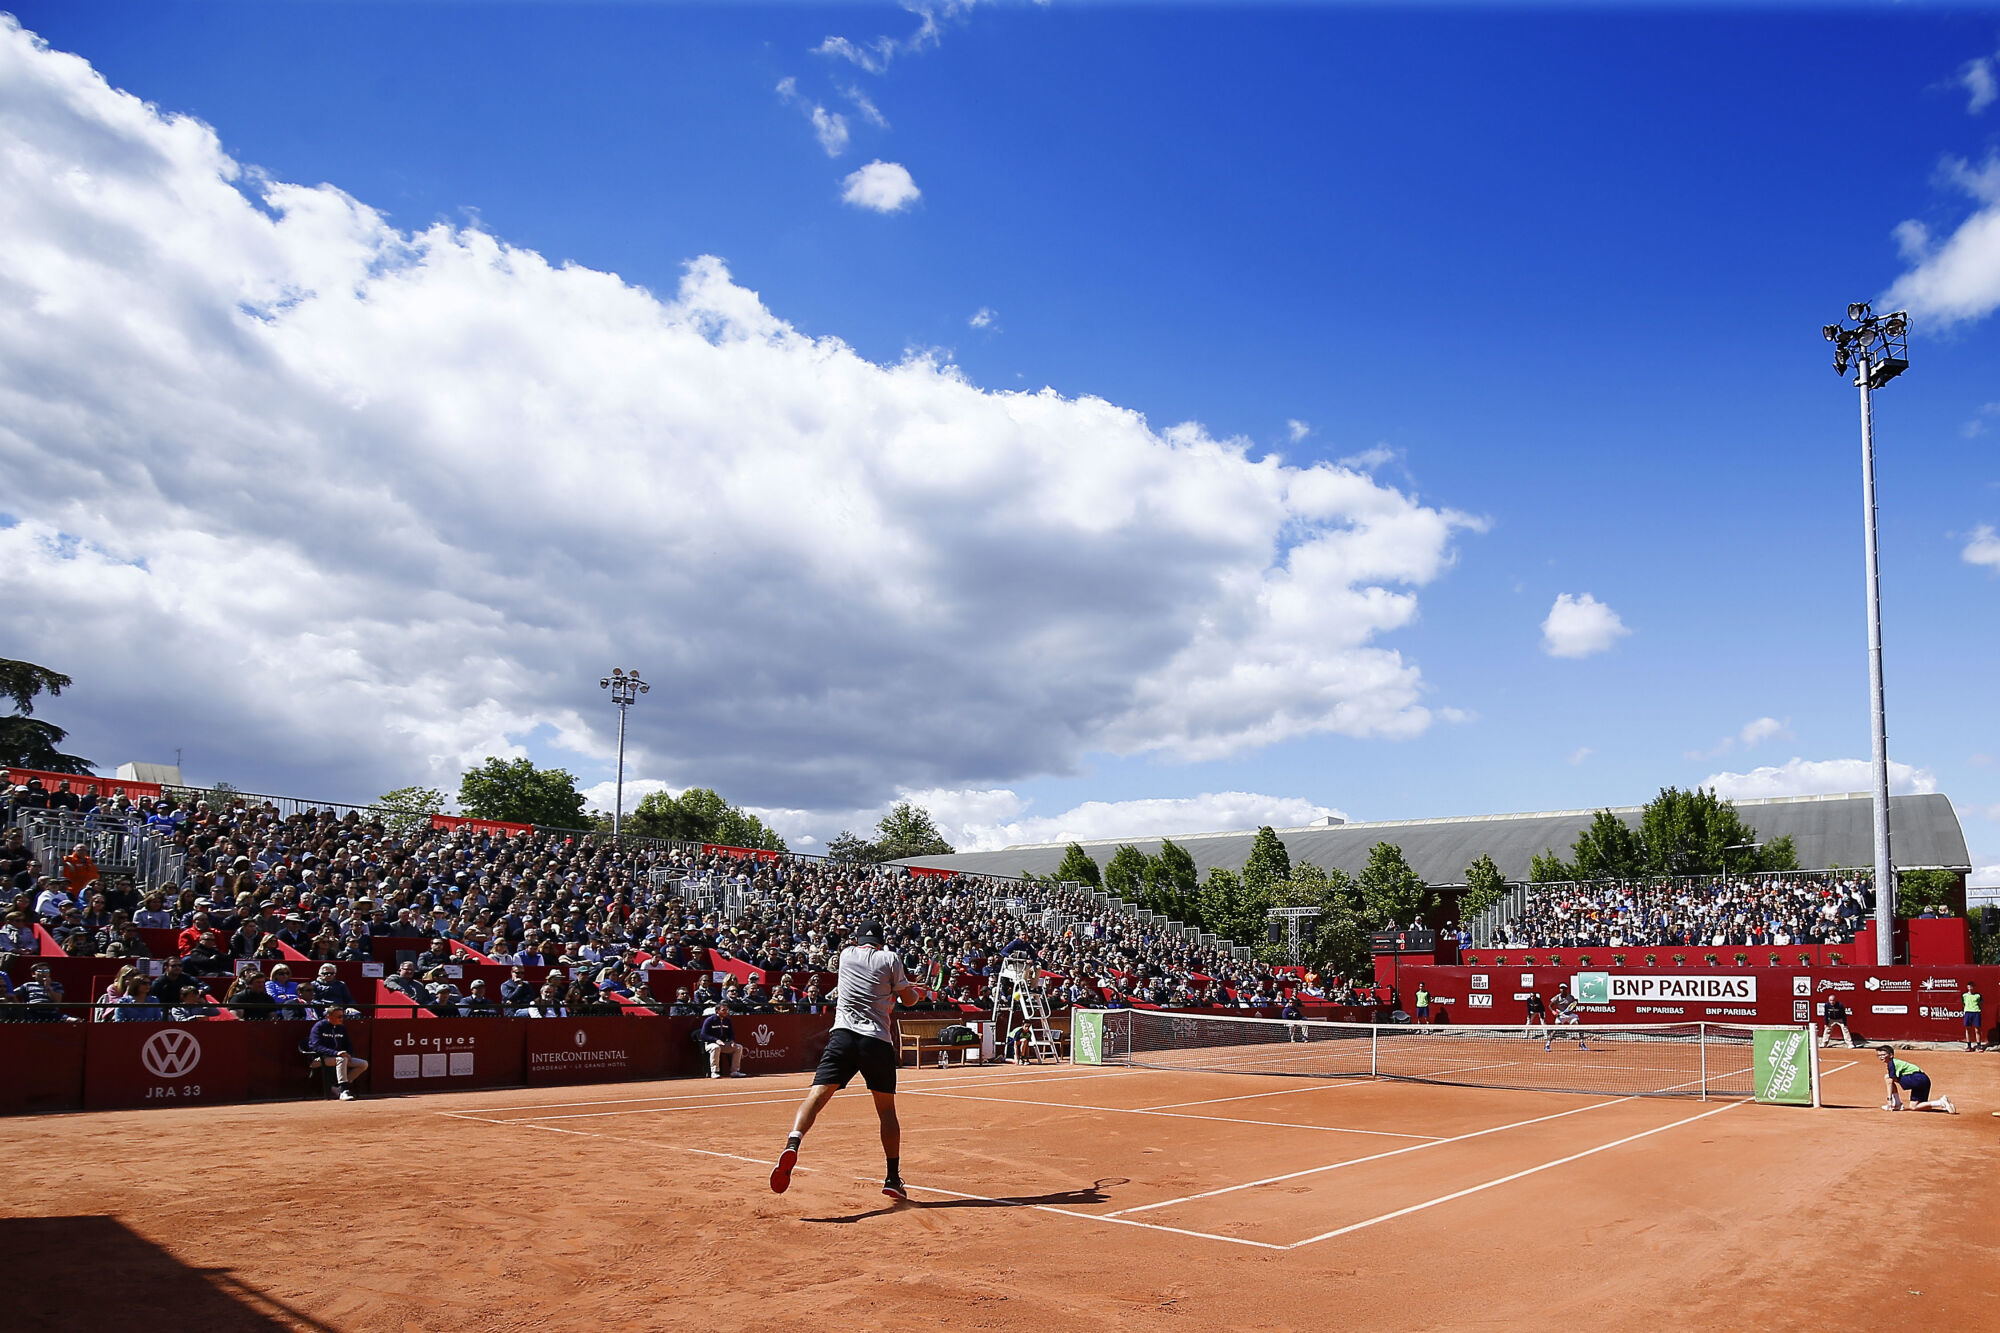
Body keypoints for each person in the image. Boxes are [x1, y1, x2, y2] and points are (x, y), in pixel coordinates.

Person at [772, 920, 919, 1202]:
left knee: (816, 1095)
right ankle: (891, 1177)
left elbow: (872, 982)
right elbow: (909, 1000)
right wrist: (913, 990)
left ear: (860, 939)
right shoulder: (890, 958)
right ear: (880, 941)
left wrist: (896, 986)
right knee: (886, 1111)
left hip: (842, 1036)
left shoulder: (846, 955)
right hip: (875, 1040)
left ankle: (793, 1141)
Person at [307, 1006, 368, 1100]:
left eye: (342, 1016)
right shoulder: (319, 1026)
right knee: (342, 1059)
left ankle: (338, 1087)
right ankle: (344, 1091)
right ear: (329, 1016)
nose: (341, 1019)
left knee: (363, 1064)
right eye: (339, 1016)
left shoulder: (341, 1027)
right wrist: (336, 1053)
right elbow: (315, 1046)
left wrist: (349, 1054)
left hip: (338, 1057)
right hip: (318, 1059)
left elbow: (348, 1044)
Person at [1878, 1046, 1954, 1114]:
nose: (1881, 1057)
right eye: (1879, 1055)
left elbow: (1890, 1081)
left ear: (1891, 1055)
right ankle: (1940, 1102)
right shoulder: (1894, 1062)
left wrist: (1889, 1099)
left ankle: (1897, 1104)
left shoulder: (1892, 1063)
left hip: (1917, 1078)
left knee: (1888, 1077)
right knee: (1914, 1106)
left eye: (1883, 1055)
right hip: (1924, 1080)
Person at [701, 1001, 748, 1078]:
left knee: (738, 1047)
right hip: (710, 1044)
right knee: (716, 1047)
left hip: (723, 1044)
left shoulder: (727, 1020)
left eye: (727, 1010)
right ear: (717, 1011)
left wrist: (732, 1041)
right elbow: (703, 1035)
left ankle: (735, 1071)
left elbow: (731, 1034)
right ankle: (715, 1072)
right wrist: (715, 1040)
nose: (726, 1012)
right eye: (723, 1010)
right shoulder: (709, 1020)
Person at [1550, 984, 1587, 1051]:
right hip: (1561, 1016)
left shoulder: (1570, 997)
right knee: (1555, 1030)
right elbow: (1550, 1006)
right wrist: (1553, 1012)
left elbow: (1574, 1005)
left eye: (1564, 988)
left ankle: (1581, 1043)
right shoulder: (1557, 997)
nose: (1562, 989)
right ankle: (1547, 1044)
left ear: (1566, 989)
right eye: (1561, 988)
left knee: (1579, 1027)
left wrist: (1571, 1009)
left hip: (1570, 1015)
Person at [1962, 985, 1984, 1053]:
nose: (1970, 988)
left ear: (1974, 987)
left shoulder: (1978, 995)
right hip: (1968, 1013)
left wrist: (1977, 1009)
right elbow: (1963, 1003)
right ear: (1967, 987)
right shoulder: (1964, 995)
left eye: (1971, 987)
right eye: (1968, 987)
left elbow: (1981, 1004)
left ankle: (1979, 1046)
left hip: (1976, 1012)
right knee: (1967, 1029)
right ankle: (1969, 1046)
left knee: (1977, 1029)